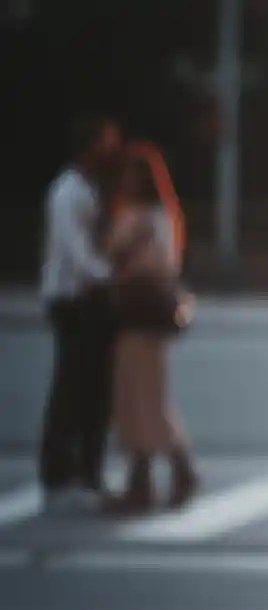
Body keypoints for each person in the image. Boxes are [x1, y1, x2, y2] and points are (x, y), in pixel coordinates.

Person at [101, 141, 199, 514]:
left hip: (136, 313)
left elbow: (113, 255)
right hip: (152, 315)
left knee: (137, 398)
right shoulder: (165, 216)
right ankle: (162, 472)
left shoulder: (136, 217)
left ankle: (154, 475)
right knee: (147, 396)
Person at [37, 116, 122, 514]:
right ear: (89, 145)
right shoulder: (67, 191)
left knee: (96, 392)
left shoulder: (90, 188)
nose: (113, 148)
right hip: (73, 301)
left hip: (93, 301)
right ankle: (58, 475)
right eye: (107, 141)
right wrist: (112, 276)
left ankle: (89, 473)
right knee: (71, 390)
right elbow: (76, 253)